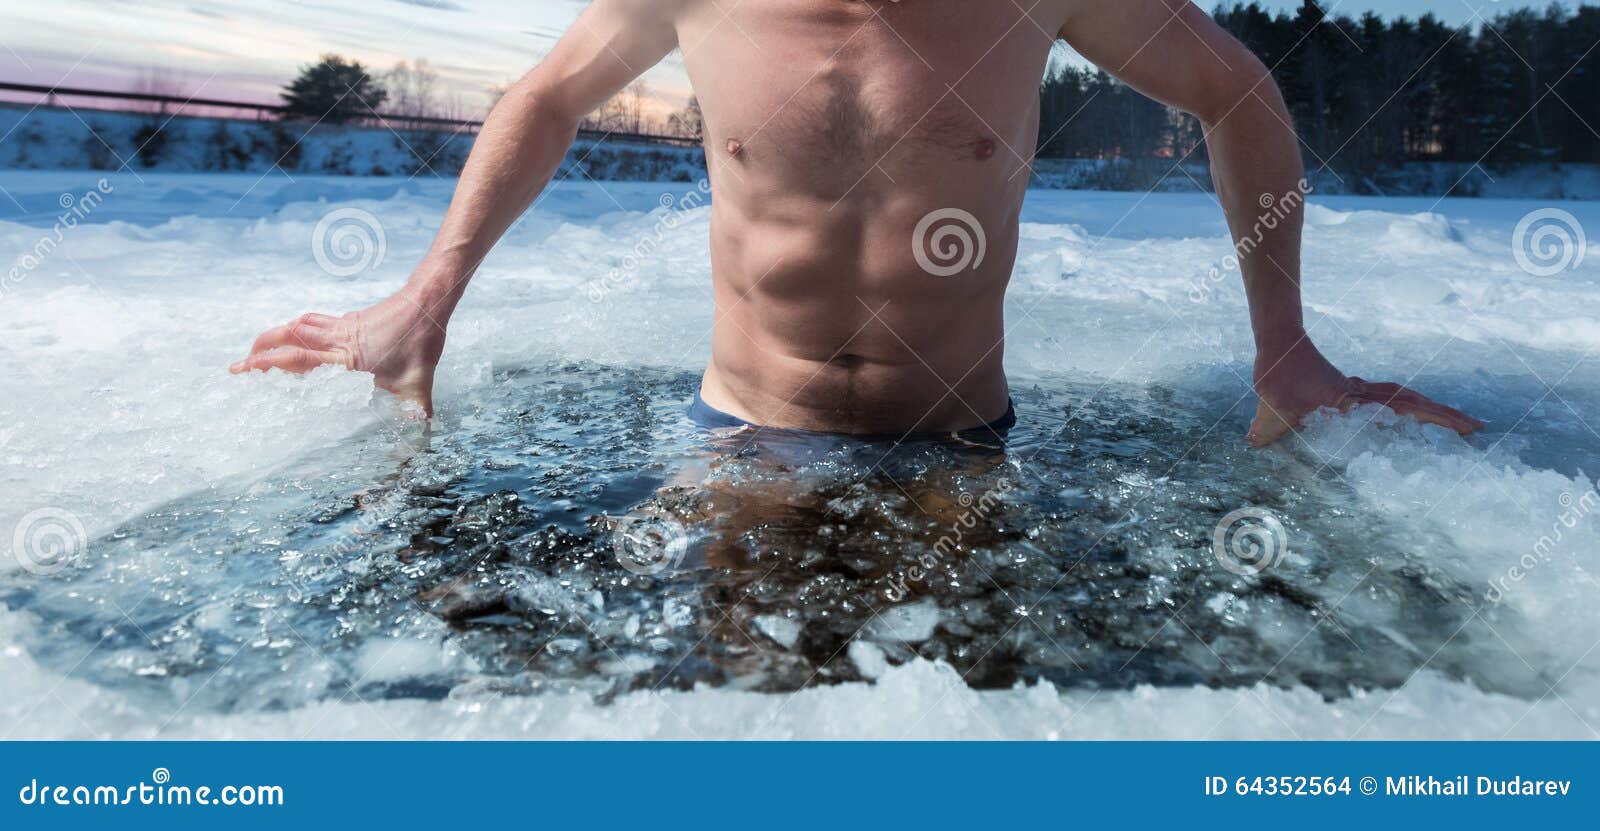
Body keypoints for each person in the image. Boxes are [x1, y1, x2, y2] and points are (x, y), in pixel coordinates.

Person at [231, 0, 1483, 446]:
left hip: (963, 449)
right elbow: (547, 94)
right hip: (734, 438)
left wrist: (1286, 351)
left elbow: (1238, 96)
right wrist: (426, 295)